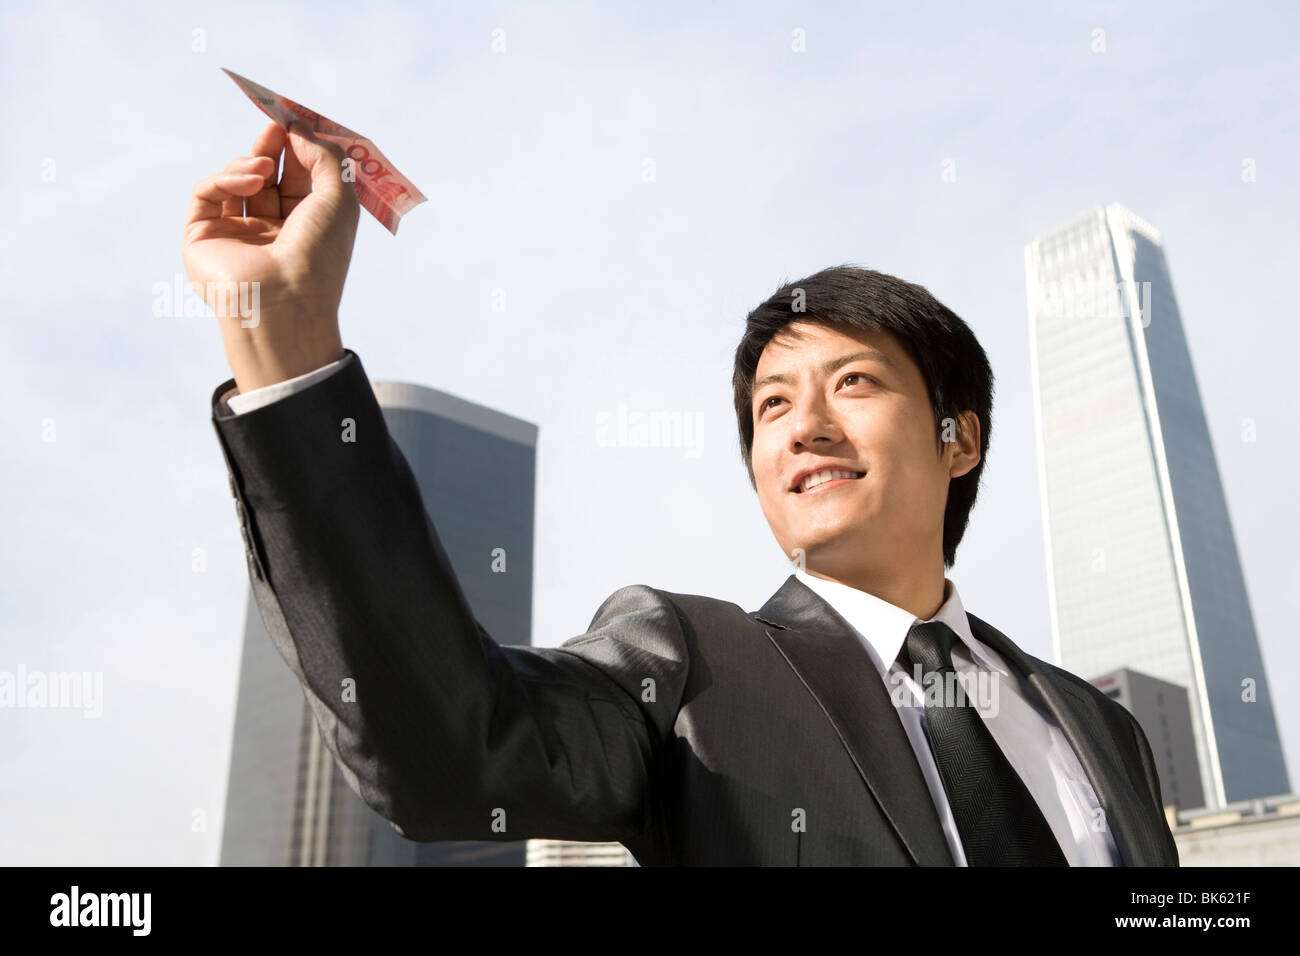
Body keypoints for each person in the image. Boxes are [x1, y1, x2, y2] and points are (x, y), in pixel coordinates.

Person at [186, 120, 1180, 866]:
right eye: (772, 404)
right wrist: (285, 342)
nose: (805, 424)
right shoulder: (692, 668)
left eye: (854, 383)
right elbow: (450, 749)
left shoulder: (1097, 730)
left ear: (957, 438)